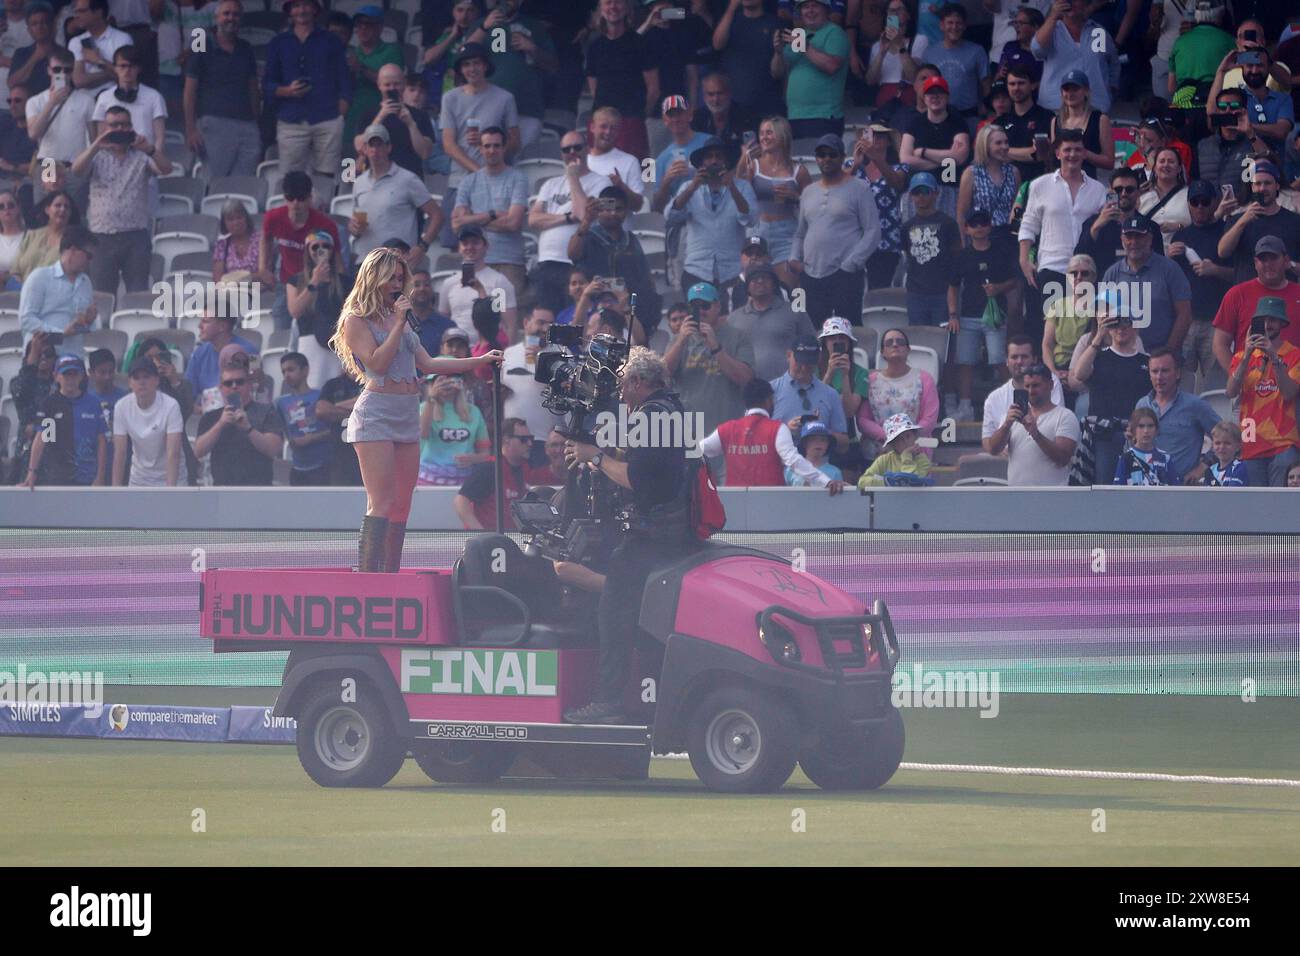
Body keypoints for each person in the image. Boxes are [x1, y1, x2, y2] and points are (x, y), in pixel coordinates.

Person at [331, 247, 502, 571]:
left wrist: (479, 360)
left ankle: (390, 573)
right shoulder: (357, 319)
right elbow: (378, 364)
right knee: (380, 501)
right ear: (375, 278)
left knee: (402, 504)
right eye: (391, 278)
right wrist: (397, 323)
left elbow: (427, 363)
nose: (397, 284)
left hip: (407, 411)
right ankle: (370, 578)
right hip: (377, 412)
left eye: (400, 278)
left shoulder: (402, 320)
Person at [562, 347, 693, 724]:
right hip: (671, 529)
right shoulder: (669, 409)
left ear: (638, 382)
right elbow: (647, 463)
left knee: (614, 608)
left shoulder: (653, 416)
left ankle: (607, 701)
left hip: (654, 535)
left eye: (621, 380)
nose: (617, 388)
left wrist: (596, 458)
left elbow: (637, 479)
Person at [1017, 128, 1106, 342]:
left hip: (1086, 270)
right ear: (1058, 153)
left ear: (1085, 153)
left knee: (1081, 332)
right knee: (1052, 331)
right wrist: (1024, 259)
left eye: (1078, 149)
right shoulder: (1041, 185)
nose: (1072, 155)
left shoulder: (1098, 189)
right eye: (1067, 150)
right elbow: (1029, 223)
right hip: (1052, 267)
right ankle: (1051, 375)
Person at [71, 105, 169, 294]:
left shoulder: (142, 155)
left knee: (138, 293)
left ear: (131, 126)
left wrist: (149, 148)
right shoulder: (96, 155)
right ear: (105, 128)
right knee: (102, 294)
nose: (120, 129)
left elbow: (166, 169)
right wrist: (96, 144)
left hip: (136, 236)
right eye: (114, 125)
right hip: (101, 236)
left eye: (125, 124)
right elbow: (76, 170)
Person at [792, 133, 879, 326]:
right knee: (814, 331)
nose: (826, 159)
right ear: (816, 159)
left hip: (846, 275)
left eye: (832, 154)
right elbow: (800, 232)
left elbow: (873, 231)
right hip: (812, 275)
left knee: (848, 330)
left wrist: (851, 264)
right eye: (821, 155)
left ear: (841, 157)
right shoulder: (808, 191)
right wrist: (793, 258)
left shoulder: (860, 188)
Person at [698, 378, 845, 491]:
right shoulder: (778, 429)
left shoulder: (726, 429)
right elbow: (793, 461)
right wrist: (826, 481)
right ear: (769, 400)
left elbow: (697, 452)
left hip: (735, 510)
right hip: (771, 509)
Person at [1069, 290, 1152, 483]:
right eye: (1115, 323)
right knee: (1105, 487)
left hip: (1137, 435)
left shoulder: (1146, 362)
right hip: (1105, 435)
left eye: (1126, 322)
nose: (1121, 328)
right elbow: (1079, 374)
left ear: (1135, 327)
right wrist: (1099, 335)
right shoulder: (1099, 356)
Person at [264, 0, 351, 177]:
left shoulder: (331, 40)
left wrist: (342, 109)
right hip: (291, 119)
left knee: (326, 176)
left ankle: (322, 206)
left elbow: (344, 78)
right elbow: (267, 83)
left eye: (306, 5)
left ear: (315, 9)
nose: (301, 10)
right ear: (289, 11)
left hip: (327, 117)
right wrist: (287, 91)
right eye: (295, 6)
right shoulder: (278, 42)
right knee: (291, 178)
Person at [528, 130, 611, 313]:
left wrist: (573, 177)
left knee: (575, 316)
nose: (572, 152)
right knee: (548, 319)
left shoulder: (601, 182)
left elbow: (582, 214)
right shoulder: (550, 184)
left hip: (577, 264)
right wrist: (566, 218)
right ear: (561, 154)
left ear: (587, 149)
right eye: (567, 149)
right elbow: (533, 219)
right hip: (547, 262)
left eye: (577, 147)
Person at [458, 0, 556, 149]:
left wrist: (532, 48)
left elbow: (552, 65)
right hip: (488, 107)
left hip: (526, 107)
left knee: (523, 162)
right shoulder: (481, 24)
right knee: (489, 157)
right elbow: (462, 55)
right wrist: (484, 27)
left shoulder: (534, 25)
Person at [667, 135, 757, 297]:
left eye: (718, 157)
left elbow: (751, 219)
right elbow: (671, 216)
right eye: (709, 157)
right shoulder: (688, 187)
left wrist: (732, 188)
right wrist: (693, 187)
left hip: (732, 273)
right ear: (702, 163)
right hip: (696, 271)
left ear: (727, 162)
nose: (714, 161)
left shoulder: (742, 187)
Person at [1225, 295, 1300, 486]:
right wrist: (1248, 354)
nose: (1268, 325)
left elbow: (1290, 392)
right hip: (1250, 444)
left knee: (1280, 506)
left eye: (1273, 319)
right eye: (1263, 320)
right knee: (1255, 509)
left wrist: (1273, 356)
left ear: (1282, 322)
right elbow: (1231, 391)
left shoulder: (1295, 355)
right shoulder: (1242, 356)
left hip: (1283, 444)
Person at [948, 207, 1016, 420]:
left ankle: (1012, 402)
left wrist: (998, 288)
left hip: (995, 317)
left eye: (983, 223)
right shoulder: (961, 256)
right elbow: (953, 286)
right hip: (967, 315)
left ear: (990, 226)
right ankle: (965, 407)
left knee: (999, 359)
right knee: (965, 361)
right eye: (974, 224)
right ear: (967, 229)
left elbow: (1014, 281)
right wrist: (953, 315)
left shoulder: (1000, 252)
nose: (979, 228)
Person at [1167, 180, 1234, 390]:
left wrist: (1215, 270)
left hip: (1217, 322)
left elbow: (1241, 275)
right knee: (1182, 384)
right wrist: (1167, 257)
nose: (1199, 207)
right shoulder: (1181, 236)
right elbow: (1168, 280)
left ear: (1215, 202)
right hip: (1185, 321)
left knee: (1215, 386)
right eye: (1194, 202)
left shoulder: (1227, 232)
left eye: (1205, 201)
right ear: (1188, 204)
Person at [664, 280, 755, 435]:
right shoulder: (678, 339)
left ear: (718, 307)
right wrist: (680, 341)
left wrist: (716, 347)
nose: (700, 311)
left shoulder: (738, 336)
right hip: (689, 428)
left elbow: (746, 379)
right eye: (694, 307)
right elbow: (663, 374)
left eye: (705, 306)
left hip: (728, 425)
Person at [181, 0, 259, 178]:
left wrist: (255, 121)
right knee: (214, 182)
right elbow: (189, 90)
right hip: (214, 123)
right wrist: (191, 129)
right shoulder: (200, 41)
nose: (231, 18)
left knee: (243, 186)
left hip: (246, 124)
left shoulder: (245, 47)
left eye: (236, 14)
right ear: (216, 17)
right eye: (226, 13)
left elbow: (252, 87)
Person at [349, 123, 442, 271]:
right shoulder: (358, 183)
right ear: (365, 149)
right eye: (371, 145)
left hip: (396, 264)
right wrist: (353, 227)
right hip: (365, 263)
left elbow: (437, 214)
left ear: (388, 147)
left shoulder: (407, 179)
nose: (375, 150)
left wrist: (422, 247)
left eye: (379, 145)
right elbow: (356, 223)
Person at [567, 186, 659, 331]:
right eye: (607, 208)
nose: (613, 213)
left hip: (627, 309)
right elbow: (572, 254)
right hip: (595, 309)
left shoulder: (631, 240)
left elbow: (645, 278)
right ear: (599, 210)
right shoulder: (589, 236)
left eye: (619, 208)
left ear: (626, 211)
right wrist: (586, 221)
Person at [451, 124, 529, 294]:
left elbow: (513, 223)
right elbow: (457, 224)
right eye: (487, 146)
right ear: (480, 148)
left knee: (503, 314)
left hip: (508, 262)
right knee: (473, 314)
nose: (491, 150)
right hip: (473, 263)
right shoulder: (468, 181)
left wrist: (472, 220)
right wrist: (491, 215)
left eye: (496, 145)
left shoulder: (518, 178)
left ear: (504, 147)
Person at [259, 170, 342, 328]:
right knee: (281, 326)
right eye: (291, 198)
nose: (296, 203)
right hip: (286, 282)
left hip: (317, 284)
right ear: (285, 198)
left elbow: (337, 259)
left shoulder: (325, 225)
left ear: (310, 198)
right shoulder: (273, 217)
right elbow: (265, 239)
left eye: (301, 198)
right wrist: (263, 267)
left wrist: (338, 288)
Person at [736, 115, 809, 289]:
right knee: (757, 283)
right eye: (761, 133)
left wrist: (795, 196)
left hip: (787, 232)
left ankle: (795, 315)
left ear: (782, 136)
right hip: (758, 229)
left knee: (789, 285)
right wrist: (743, 158)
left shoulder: (799, 170)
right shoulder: (754, 165)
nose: (764, 137)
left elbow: (812, 203)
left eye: (769, 133)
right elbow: (738, 187)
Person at [1100, 214, 1191, 353]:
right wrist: (1113, 351)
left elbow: (1184, 314)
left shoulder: (1170, 269)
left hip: (1160, 354)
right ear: (1122, 239)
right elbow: (1102, 316)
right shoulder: (1112, 273)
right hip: (1123, 354)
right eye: (1129, 237)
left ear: (1149, 239)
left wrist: (1169, 351)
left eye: (1139, 236)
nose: (1133, 242)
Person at [1211, 236, 1300, 378]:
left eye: (1273, 258)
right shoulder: (1237, 294)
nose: (1268, 264)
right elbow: (1219, 344)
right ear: (1255, 263)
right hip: (1251, 386)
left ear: (1286, 260)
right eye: (1263, 259)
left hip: (1294, 384)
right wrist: (1237, 377)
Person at [194, 354, 285, 485]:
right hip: (223, 491)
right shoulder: (211, 417)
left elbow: (272, 449)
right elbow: (198, 451)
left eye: (240, 382)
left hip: (259, 490)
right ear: (221, 388)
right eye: (228, 383)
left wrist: (248, 428)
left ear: (249, 384)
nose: (234, 386)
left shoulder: (267, 411)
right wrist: (220, 425)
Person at [583, 0, 658, 160]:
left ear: (627, 8)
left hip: (632, 121)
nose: (613, 7)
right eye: (608, 3)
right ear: (601, 9)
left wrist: (640, 116)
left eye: (618, 2)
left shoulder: (641, 43)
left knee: (644, 172)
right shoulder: (594, 46)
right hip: (600, 124)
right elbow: (594, 88)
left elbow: (654, 88)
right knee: (599, 175)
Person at [1134, 346, 1220, 482]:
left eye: (1165, 371)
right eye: (1155, 371)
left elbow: (1227, 436)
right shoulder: (1142, 405)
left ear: (1178, 373)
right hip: (1146, 486)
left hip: (1182, 487)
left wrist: (1202, 468)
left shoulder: (1195, 405)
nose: (1159, 377)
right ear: (1149, 374)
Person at [20, 354, 107, 487]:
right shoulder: (50, 404)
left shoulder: (93, 403)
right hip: (58, 477)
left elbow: (101, 441)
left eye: (74, 374)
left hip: (88, 477)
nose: (70, 379)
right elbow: (42, 438)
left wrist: (100, 476)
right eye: (66, 375)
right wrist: (32, 472)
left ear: (82, 376)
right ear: (56, 376)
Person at [771, 0, 849, 139]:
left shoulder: (835, 33)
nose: (810, 10)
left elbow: (831, 66)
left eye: (815, 6)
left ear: (826, 9)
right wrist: (778, 53)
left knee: (820, 160)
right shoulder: (798, 35)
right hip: (794, 116)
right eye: (805, 7)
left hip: (824, 116)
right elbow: (777, 73)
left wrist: (805, 48)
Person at [995, 360, 1079, 485]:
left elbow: (1063, 458)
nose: (1030, 391)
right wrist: (1006, 425)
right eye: (1027, 386)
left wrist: (1036, 435)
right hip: (1016, 497)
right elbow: (994, 449)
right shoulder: (1013, 416)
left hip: (1052, 498)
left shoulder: (1065, 416)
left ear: (1051, 385)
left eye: (1035, 385)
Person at [847, 122, 909, 290]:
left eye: (881, 137)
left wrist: (876, 158)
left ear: (889, 142)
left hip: (886, 240)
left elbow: (897, 183)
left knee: (880, 289)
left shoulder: (900, 167)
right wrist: (855, 164)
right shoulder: (851, 167)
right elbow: (837, 190)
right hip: (855, 239)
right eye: (872, 135)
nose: (875, 140)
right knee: (854, 290)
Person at [1216, 160, 1300, 283]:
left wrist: (1290, 265)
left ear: (1277, 186)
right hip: (1248, 295)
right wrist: (1242, 221)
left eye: (1267, 183)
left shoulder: (1295, 221)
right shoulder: (1237, 220)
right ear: (1252, 187)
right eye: (1258, 183)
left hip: (1284, 295)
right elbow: (1223, 252)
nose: (1262, 188)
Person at [899, 75, 970, 215]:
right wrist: (946, 160)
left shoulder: (958, 123)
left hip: (948, 185)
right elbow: (905, 159)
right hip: (918, 189)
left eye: (940, 93)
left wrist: (923, 152)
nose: (935, 97)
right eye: (931, 93)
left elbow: (960, 157)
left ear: (947, 97)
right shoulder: (914, 123)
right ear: (924, 98)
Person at [1031, 0, 1119, 113]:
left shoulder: (1098, 32)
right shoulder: (1051, 30)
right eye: (1066, 0)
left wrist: (1111, 88)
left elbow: (1112, 62)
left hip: (1094, 107)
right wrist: (1053, 17)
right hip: (1055, 108)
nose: (1070, 4)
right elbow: (1037, 51)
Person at [1074, 167, 1164, 278]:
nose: (1124, 193)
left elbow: (1159, 265)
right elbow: (1078, 259)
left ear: (1138, 193)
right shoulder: (1093, 223)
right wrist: (1096, 227)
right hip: (1103, 288)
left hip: (1140, 289)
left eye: (1129, 189)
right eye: (1118, 190)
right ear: (1110, 192)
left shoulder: (1151, 227)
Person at [981, 333, 1064, 452]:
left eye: (1024, 357)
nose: (1019, 362)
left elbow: (1057, 426)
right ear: (1007, 361)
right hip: (1004, 459)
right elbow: (987, 444)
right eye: (1014, 357)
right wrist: (1006, 424)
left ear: (1034, 359)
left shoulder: (1050, 383)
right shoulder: (994, 398)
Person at [438, 222, 518, 344]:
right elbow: (443, 322)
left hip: (488, 351)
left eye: (475, 242)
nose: (470, 247)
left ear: (486, 246)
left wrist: (507, 357)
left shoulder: (498, 282)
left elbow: (509, 325)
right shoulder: (449, 283)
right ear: (459, 248)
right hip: (457, 350)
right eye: (465, 243)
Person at [350, 64, 436, 177]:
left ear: (404, 84)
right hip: (376, 181)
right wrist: (380, 116)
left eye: (396, 84)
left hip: (409, 181)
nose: (392, 88)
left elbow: (425, 153)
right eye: (387, 84)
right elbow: (360, 147)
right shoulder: (368, 114)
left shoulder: (420, 115)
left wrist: (411, 124)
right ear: (379, 85)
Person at [17, 226, 95, 348]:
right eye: (89, 256)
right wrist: (60, 333)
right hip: (43, 355)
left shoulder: (86, 282)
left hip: (73, 356)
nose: (90, 261)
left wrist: (89, 322)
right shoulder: (40, 277)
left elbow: (85, 327)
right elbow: (26, 320)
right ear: (73, 250)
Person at [901, 170, 961, 329]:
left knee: (944, 341)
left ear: (936, 193)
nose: (921, 196)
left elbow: (956, 256)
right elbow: (908, 254)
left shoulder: (949, 223)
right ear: (911, 196)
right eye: (916, 192)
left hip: (943, 293)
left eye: (925, 191)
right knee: (918, 339)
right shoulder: (906, 227)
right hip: (916, 293)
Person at [112, 356, 184, 486]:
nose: (142, 382)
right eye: (136, 378)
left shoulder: (171, 406)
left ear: (156, 380)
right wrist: (114, 492)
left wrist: (171, 492)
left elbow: (173, 453)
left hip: (172, 478)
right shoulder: (121, 406)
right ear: (130, 383)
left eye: (146, 376)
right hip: (139, 479)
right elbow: (120, 452)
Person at [452, 415, 532, 530]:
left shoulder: (526, 468)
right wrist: (481, 533)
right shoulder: (489, 468)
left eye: (531, 438)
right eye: (523, 439)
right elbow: (460, 501)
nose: (530, 443)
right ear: (506, 441)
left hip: (514, 539)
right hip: (490, 543)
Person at [725, 263, 802, 381]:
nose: (760, 281)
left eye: (765, 277)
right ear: (747, 286)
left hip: (788, 388)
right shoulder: (734, 319)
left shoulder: (795, 312)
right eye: (754, 278)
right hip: (746, 390)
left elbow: (811, 345)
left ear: (774, 283)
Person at [712, 0, 785, 118]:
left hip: (768, 104)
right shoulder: (730, 21)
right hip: (735, 106)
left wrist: (778, 52)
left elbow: (778, 73)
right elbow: (717, 44)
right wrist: (731, 8)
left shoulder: (775, 23)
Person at [501, 302, 564, 440]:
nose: (545, 328)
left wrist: (540, 361)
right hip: (514, 440)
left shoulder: (562, 352)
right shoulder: (509, 354)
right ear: (525, 323)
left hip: (548, 440)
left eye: (550, 324)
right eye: (540, 323)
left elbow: (565, 391)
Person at [341, 4, 402, 144]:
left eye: (368, 24)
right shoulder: (353, 53)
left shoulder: (392, 51)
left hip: (382, 115)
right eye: (359, 24)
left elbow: (393, 84)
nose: (363, 28)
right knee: (349, 162)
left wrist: (360, 68)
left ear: (380, 27)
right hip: (353, 117)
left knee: (376, 159)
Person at [89, 45, 165, 155]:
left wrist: (155, 159)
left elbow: (160, 137)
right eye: (123, 66)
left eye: (132, 66)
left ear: (138, 68)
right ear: (115, 68)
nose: (127, 70)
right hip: (113, 159)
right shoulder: (104, 97)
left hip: (145, 159)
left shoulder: (154, 96)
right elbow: (100, 136)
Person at [418, 371, 489, 486]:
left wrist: (472, 459)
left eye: (451, 379)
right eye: (440, 380)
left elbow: (485, 454)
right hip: (429, 479)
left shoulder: (474, 412)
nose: (446, 384)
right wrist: (431, 399)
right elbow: (422, 434)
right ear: (431, 384)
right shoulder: (423, 408)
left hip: (466, 482)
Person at [274, 351, 333, 485]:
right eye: (283, 372)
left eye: (291, 369)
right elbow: (283, 429)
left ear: (305, 370)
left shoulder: (321, 396)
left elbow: (334, 430)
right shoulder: (280, 403)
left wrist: (311, 438)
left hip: (323, 466)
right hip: (297, 468)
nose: (286, 375)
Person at [1199, 88, 1271, 196]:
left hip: (1245, 208)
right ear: (1217, 111)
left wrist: (1250, 132)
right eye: (1223, 107)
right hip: (1211, 209)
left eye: (1234, 106)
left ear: (1243, 110)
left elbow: (1270, 164)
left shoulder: (1254, 141)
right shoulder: (1203, 145)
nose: (1228, 110)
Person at [1046, 69, 1114, 179]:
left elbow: (1109, 162)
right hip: (1061, 180)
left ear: (1086, 91)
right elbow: (1055, 157)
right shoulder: (1055, 121)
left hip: (1088, 179)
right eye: (1066, 89)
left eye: (1075, 89)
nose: (1070, 94)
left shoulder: (1100, 119)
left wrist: (1083, 153)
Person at [1042, 252, 1095, 395]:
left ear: (1093, 277)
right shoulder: (1057, 305)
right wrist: (1053, 373)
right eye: (1073, 273)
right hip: (1059, 370)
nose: (1079, 278)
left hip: (1088, 372)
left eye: (1084, 273)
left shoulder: (1102, 308)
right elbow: (1047, 344)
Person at [863, 0, 928, 113]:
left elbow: (913, 77)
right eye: (891, 11)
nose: (895, 14)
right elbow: (870, 81)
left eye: (899, 9)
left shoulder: (920, 40)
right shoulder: (877, 46)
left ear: (908, 15)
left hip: (909, 100)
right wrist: (882, 53)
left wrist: (901, 47)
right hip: (884, 100)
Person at [651, 94, 712, 214]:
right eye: (671, 115)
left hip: (711, 211)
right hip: (681, 219)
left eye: (679, 113)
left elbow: (726, 179)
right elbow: (658, 207)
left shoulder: (709, 142)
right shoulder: (661, 159)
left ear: (690, 115)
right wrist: (666, 181)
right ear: (665, 120)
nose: (675, 119)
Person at [956, 124, 1019, 237]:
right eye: (998, 143)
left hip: (1008, 236)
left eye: (1006, 142)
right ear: (985, 146)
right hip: (981, 236)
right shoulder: (971, 173)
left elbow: (1017, 210)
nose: (1004, 147)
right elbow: (962, 214)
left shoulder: (1013, 172)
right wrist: (964, 244)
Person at [927, 3, 987, 120]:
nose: (954, 27)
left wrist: (985, 107)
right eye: (950, 23)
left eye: (958, 23)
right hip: (939, 116)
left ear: (964, 26)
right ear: (942, 25)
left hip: (969, 116)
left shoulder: (977, 51)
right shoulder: (929, 53)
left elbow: (985, 84)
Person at [1000, 63, 1055, 183]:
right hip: (1006, 186)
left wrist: (1003, 151)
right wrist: (1027, 153)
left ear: (1033, 85)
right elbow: (989, 152)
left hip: (1039, 183)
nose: (1016, 88)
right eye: (1012, 84)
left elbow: (1040, 154)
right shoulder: (1000, 120)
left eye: (1021, 83)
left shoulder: (1047, 117)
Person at [584, 106, 646, 213]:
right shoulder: (581, 161)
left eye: (613, 128)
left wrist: (621, 187)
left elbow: (638, 206)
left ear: (618, 132)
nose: (608, 132)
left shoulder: (630, 161)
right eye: (603, 126)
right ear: (592, 127)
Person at [71, 0, 131, 97]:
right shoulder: (76, 42)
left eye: (82, 11)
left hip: (115, 99)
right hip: (86, 103)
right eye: (76, 12)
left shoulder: (123, 39)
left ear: (98, 12)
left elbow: (127, 77)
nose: (76, 16)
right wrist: (110, 73)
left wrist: (100, 61)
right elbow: (79, 80)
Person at [858, 412, 933, 485]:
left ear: (915, 436)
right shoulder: (883, 460)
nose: (905, 441)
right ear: (893, 444)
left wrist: (906, 458)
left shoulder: (923, 461)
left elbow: (911, 485)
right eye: (900, 439)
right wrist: (886, 482)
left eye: (908, 436)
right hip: (887, 498)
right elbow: (862, 482)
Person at [316, 368, 362, 486]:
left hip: (368, 453)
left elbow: (374, 407)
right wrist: (358, 411)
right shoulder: (333, 385)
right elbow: (321, 410)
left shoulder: (371, 382)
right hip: (339, 455)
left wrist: (335, 407)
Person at [1112, 406, 1180, 485]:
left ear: (1156, 430)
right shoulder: (1125, 458)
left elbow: (1175, 490)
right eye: (1141, 426)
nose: (1146, 431)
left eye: (1150, 426)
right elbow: (1117, 491)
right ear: (1133, 430)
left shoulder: (1165, 458)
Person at [691, 71, 755, 155]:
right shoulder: (697, 118)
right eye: (711, 94)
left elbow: (751, 152)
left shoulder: (746, 117)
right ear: (704, 96)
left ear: (729, 93)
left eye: (720, 93)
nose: (716, 99)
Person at [1137, 146, 1190, 235]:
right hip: (1148, 248)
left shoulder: (1189, 194)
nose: (1166, 165)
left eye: (1171, 162)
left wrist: (1180, 226)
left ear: (1179, 169)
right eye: (1162, 161)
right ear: (1154, 168)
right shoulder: (1141, 195)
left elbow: (1201, 224)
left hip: (1182, 247)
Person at [405, 268, 454, 358]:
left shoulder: (447, 325)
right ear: (408, 290)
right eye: (416, 285)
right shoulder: (400, 324)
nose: (422, 289)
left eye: (426, 285)